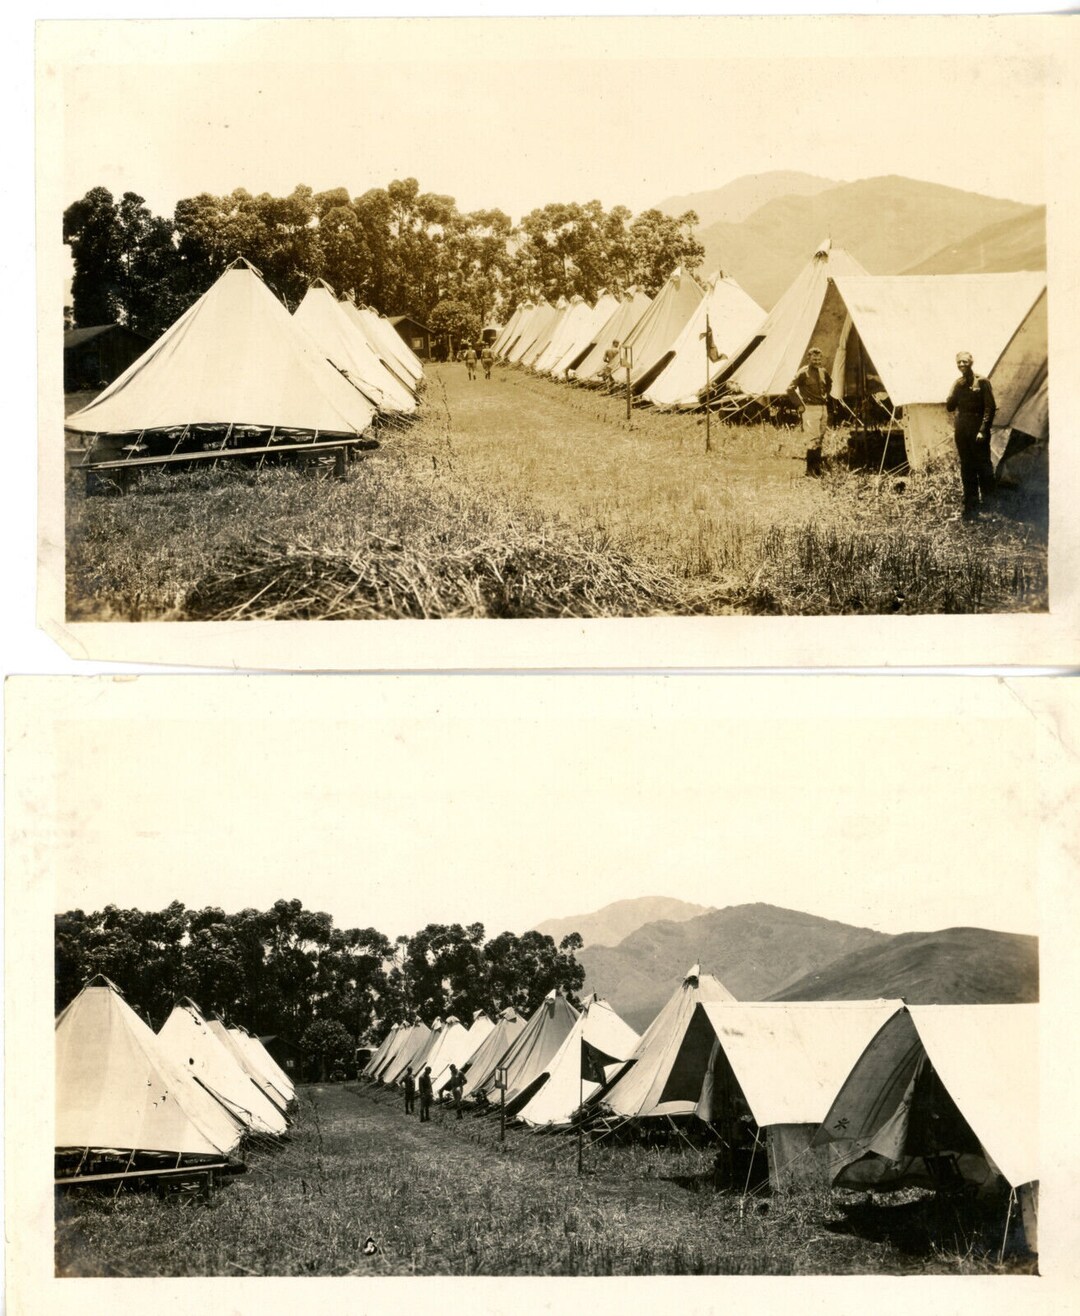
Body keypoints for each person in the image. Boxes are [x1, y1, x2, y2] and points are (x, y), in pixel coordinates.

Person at [945, 350, 996, 520]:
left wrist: (983, 430)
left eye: (964, 362)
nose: (961, 365)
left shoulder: (982, 381)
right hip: (962, 431)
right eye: (959, 362)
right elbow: (950, 407)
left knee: (983, 467)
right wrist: (954, 390)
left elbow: (989, 407)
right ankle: (970, 510)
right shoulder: (958, 383)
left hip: (978, 430)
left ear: (971, 363)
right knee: (967, 468)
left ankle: (989, 509)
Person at [787, 346, 832, 476]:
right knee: (813, 439)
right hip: (810, 408)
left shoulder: (823, 371)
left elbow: (829, 384)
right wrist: (799, 405)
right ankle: (810, 470)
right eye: (814, 359)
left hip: (823, 407)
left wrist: (825, 396)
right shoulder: (803, 372)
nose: (817, 362)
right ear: (809, 358)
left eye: (819, 359)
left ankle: (817, 468)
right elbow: (790, 389)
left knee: (820, 438)